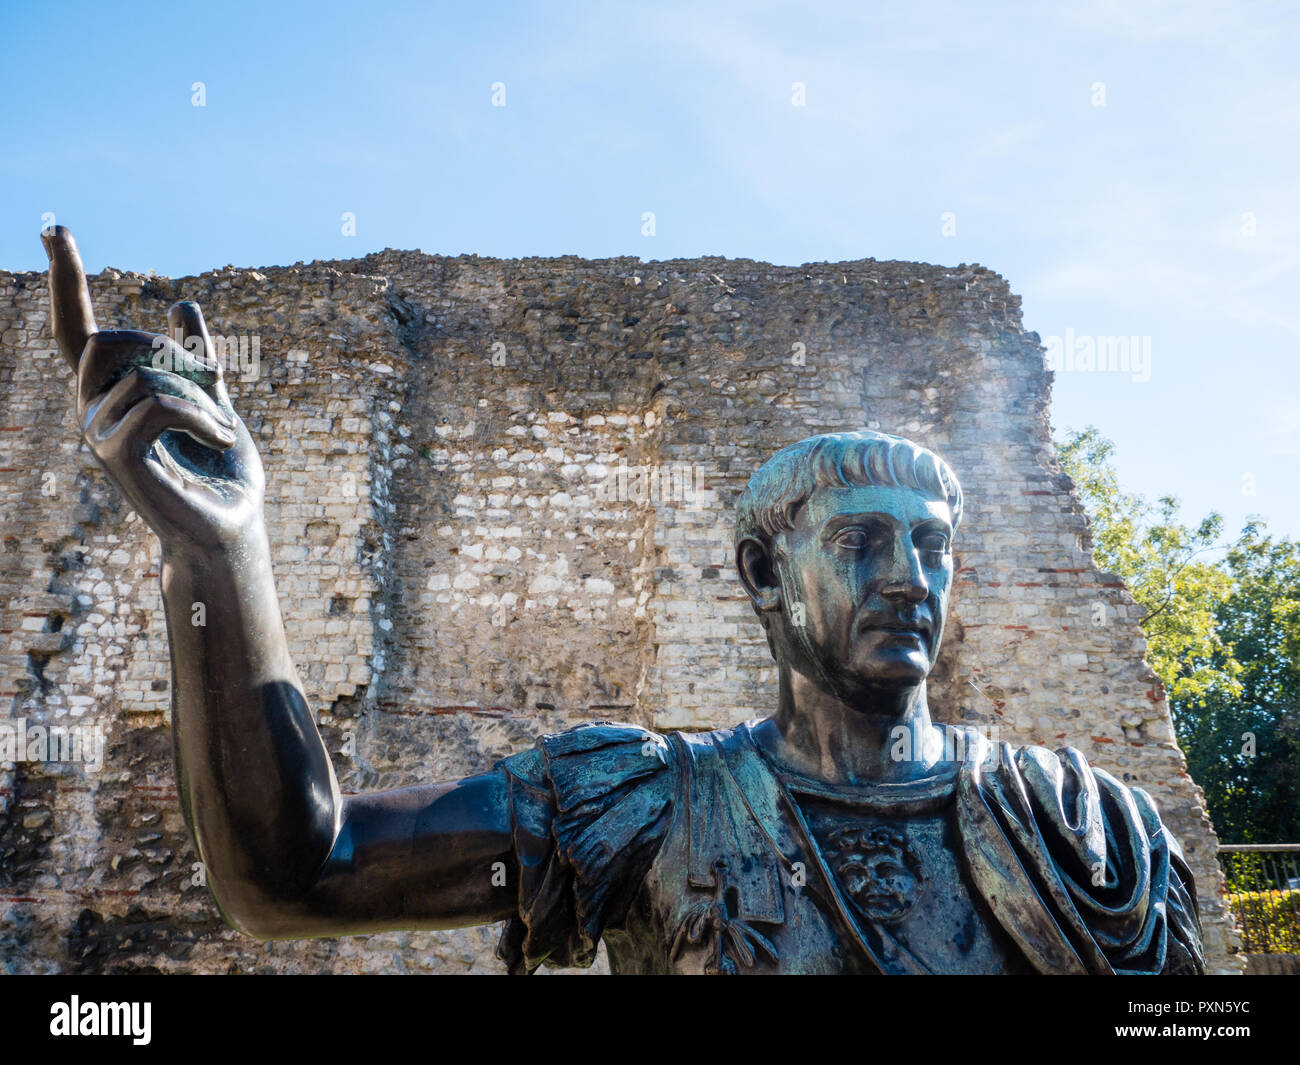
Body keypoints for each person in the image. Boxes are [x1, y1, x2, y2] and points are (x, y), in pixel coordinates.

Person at [42, 226, 1204, 975]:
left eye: (932, 547)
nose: (910, 577)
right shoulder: (647, 806)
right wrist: (219, 557)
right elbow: (298, 873)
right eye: (860, 541)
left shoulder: (1087, 832)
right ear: (761, 576)